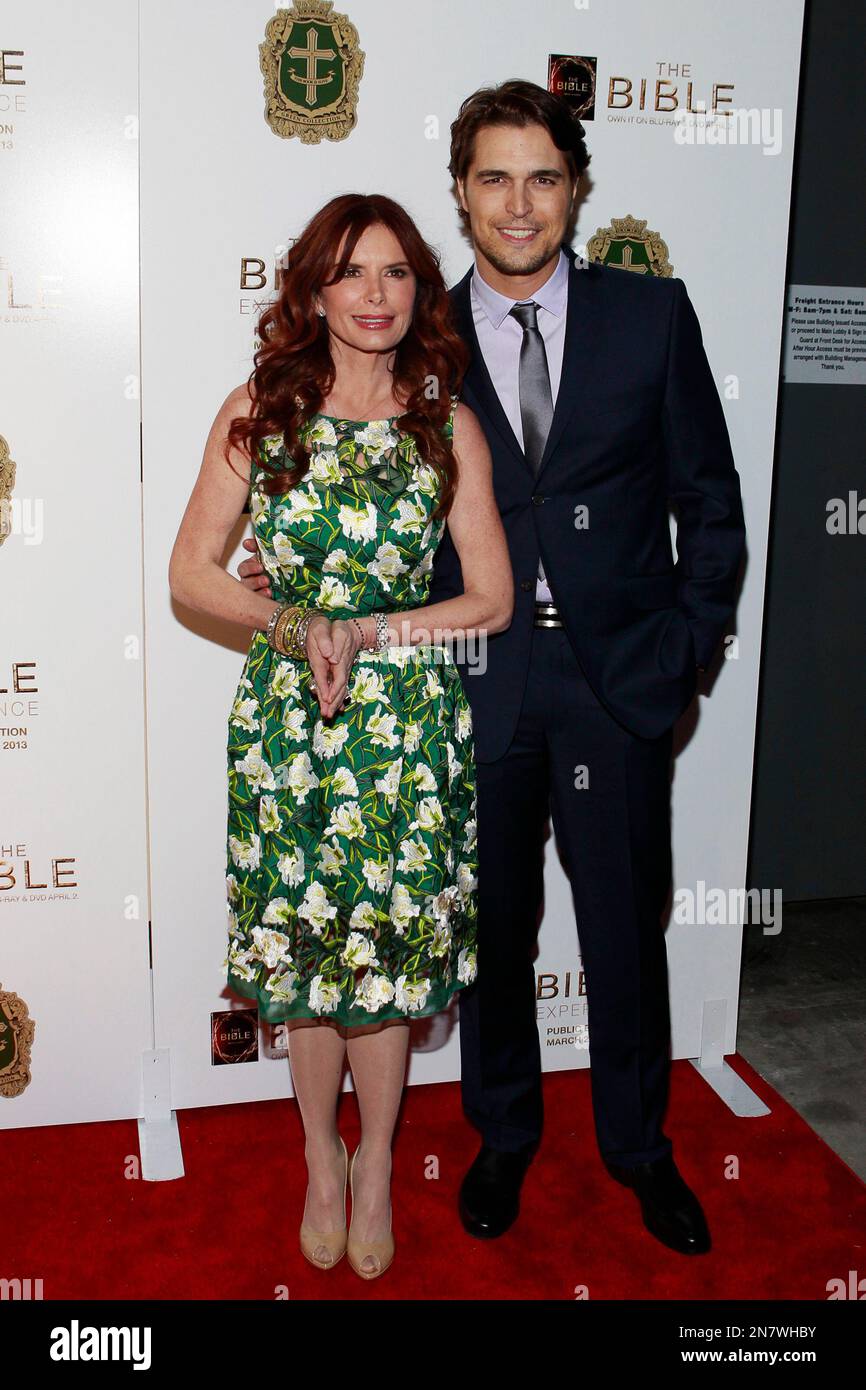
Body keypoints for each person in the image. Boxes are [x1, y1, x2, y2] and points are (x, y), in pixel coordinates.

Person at [238, 80, 746, 1259]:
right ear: (461, 193)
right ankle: (503, 1133)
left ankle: (638, 1148)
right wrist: (300, 573)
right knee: (494, 928)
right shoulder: (416, 335)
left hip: (620, 682)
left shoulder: (650, 315)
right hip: (471, 680)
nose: (518, 204)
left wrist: (683, 654)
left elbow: (708, 500)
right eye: (493, 178)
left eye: (542, 178)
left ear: (575, 190)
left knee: (624, 930)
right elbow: (351, 481)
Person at [168, 191, 513, 1280]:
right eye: (351, 272)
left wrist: (371, 629)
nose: (374, 294)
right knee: (308, 953)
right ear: (313, 292)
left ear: (420, 291)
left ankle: (378, 1165)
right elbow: (190, 573)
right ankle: (321, 1155)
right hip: (290, 729)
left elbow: (492, 597)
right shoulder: (260, 413)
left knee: (386, 966)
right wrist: (294, 623)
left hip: (406, 732)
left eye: (396, 272)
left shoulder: (445, 424)